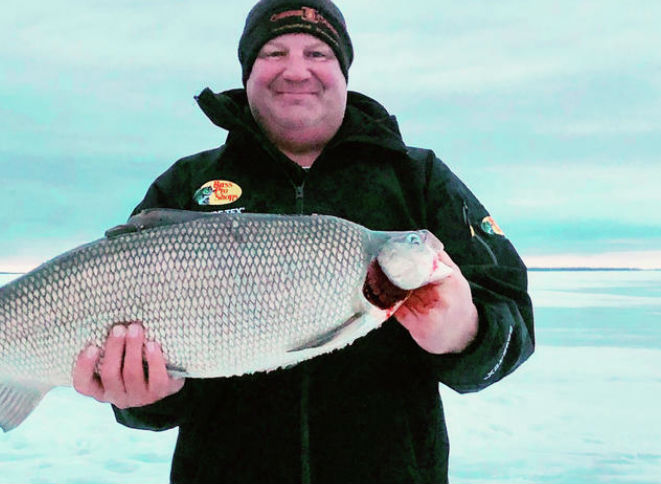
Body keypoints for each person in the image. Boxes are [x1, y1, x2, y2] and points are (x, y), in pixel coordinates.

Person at [72, 1, 535, 482]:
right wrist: (139, 398)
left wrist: (468, 334)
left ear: (343, 71)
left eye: (317, 53)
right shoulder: (186, 185)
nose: (296, 71)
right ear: (248, 72)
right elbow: (151, 399)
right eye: (274, 52)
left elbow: (513, 318)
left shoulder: (418, 179)